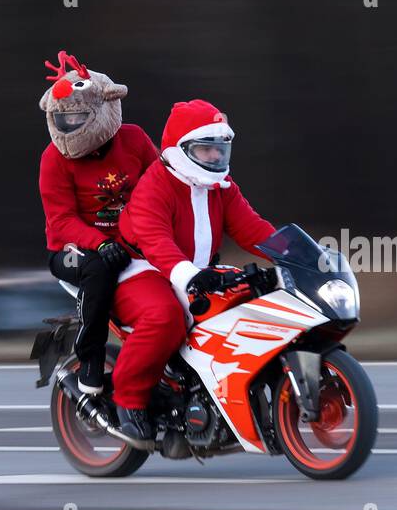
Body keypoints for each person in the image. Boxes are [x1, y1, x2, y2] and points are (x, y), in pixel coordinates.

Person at [109, 99, 276, 441]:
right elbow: (156, 242)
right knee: (165, 316)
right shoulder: (154, 187)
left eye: (220, 150)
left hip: (192, 270)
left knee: (252, 299)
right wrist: (190, 275)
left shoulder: (221, 188)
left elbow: (253, 229)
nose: (216, 158)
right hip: (140, 270)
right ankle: (127, 400)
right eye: (206, 149)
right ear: (181, 150)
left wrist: (303, 253)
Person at [37, 50, 157, 394]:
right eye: (64, 120)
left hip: (131, 240)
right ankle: (89, 357)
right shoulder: (52, 159)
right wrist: (101, 243)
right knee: (97, 268)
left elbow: (158, 187)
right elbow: (60, 221)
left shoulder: (134, 139)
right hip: (72, 250)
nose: (69, 127)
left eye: (78, 118)